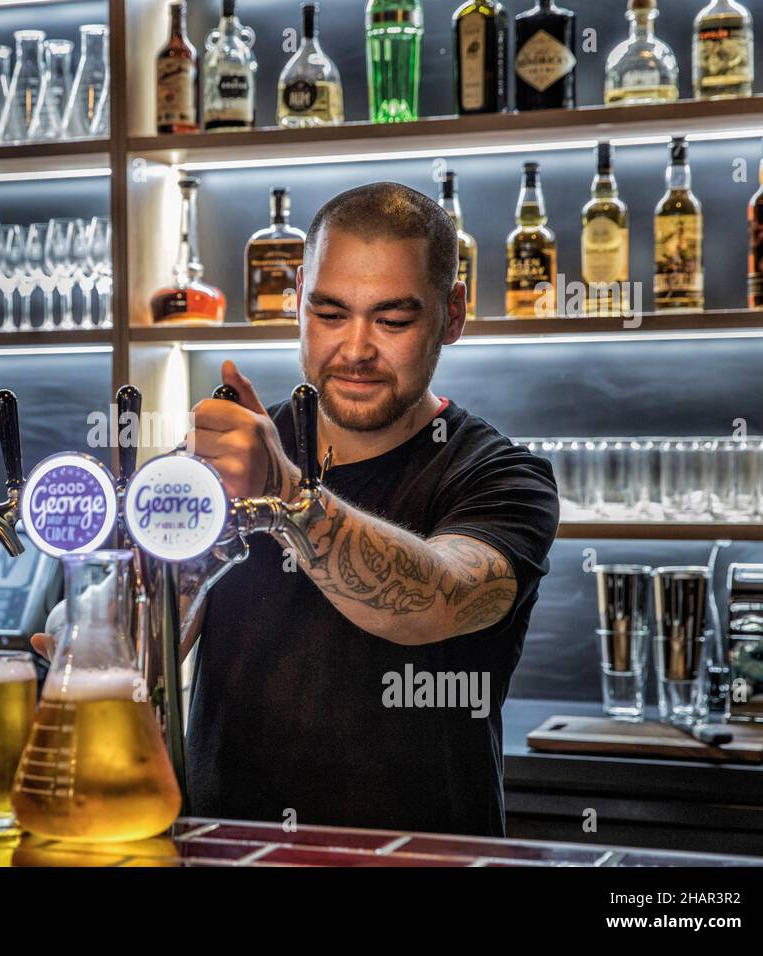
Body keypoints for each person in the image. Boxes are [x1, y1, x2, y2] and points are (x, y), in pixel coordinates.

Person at [35, 182, 560, 837]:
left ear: (452, 313)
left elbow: (438, 597)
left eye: (393, 319)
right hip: (226, 854)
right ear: (298, 302)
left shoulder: (498, 474)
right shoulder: (229, 458)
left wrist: (287, 497)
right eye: (330, 313)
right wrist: (107, 618)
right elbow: (121, 637)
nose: (357, 348)